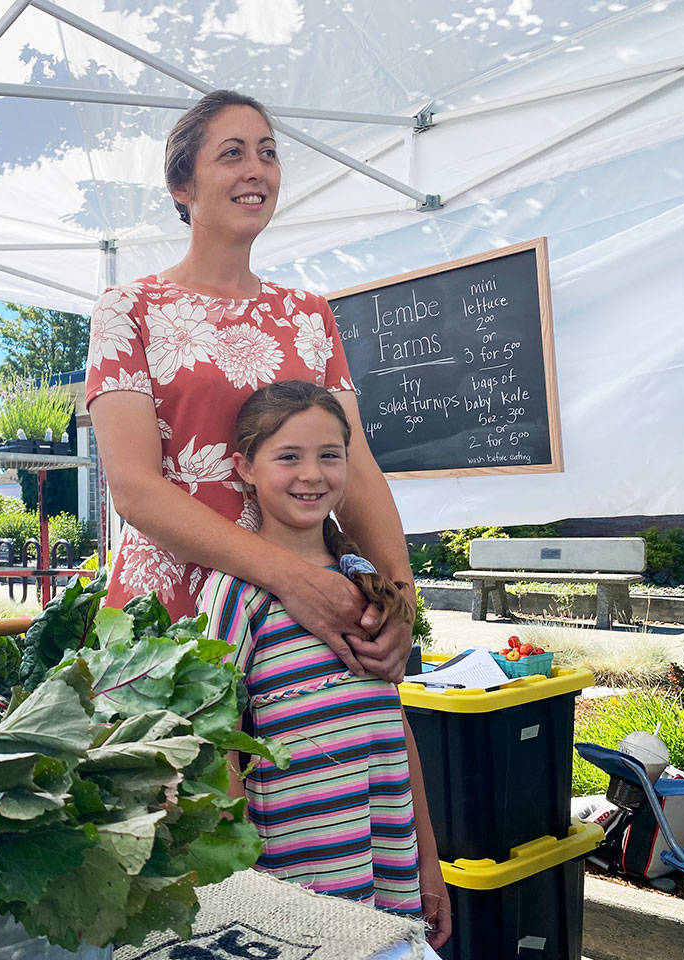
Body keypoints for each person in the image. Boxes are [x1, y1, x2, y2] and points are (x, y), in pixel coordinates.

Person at [86, 89, 415, 680]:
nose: (256, 169)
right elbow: (134, 489)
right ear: (182, 188)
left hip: (304, 615)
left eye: (267, 152)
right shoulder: (128, 309)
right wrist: (292, 579)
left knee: (328, 765)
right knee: (190, 771)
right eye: (232, 153)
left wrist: (400, 599)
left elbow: (358, 467)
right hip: (176, 611)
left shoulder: (310, 314)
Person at [198, 381, 451, 948]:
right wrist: (239, 884)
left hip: (389, 871)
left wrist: (428, 861)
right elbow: (217, 742)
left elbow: (395, 729)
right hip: (291, 887)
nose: (311, 474)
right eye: (288, 456)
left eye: (329, 455)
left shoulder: (367, 587)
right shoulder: (237, 592)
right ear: (245, 467)